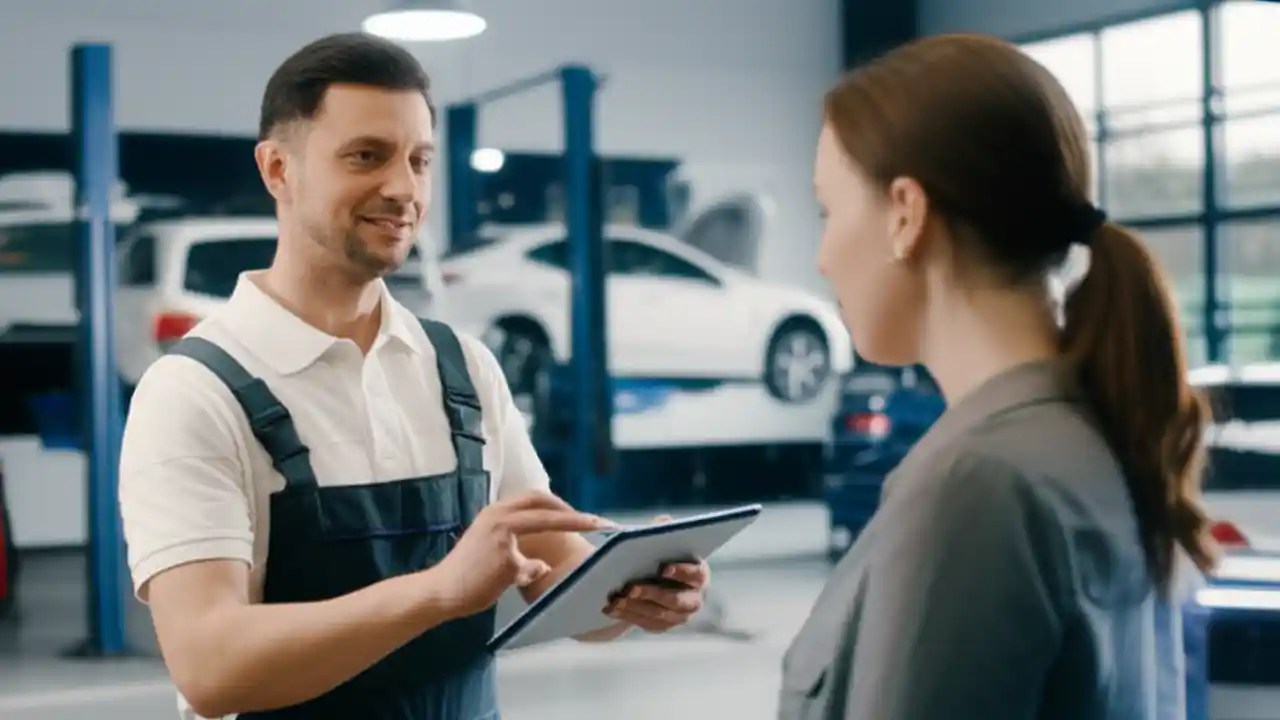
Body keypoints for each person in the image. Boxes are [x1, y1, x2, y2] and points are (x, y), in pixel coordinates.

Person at [118, 33, 709, 720]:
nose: (403, 189)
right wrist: (437, 591)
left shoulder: (461, 368)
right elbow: (212, 666)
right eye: (366, 156)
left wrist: (635, 593)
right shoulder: (195, 393)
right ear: (279, 169)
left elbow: (563, 584)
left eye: (419, 160)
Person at [780, 33, 1218, 720]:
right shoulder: (1091, 435)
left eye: (828, 212)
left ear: (906, 214)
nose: (823, 258)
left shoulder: (976, 484)